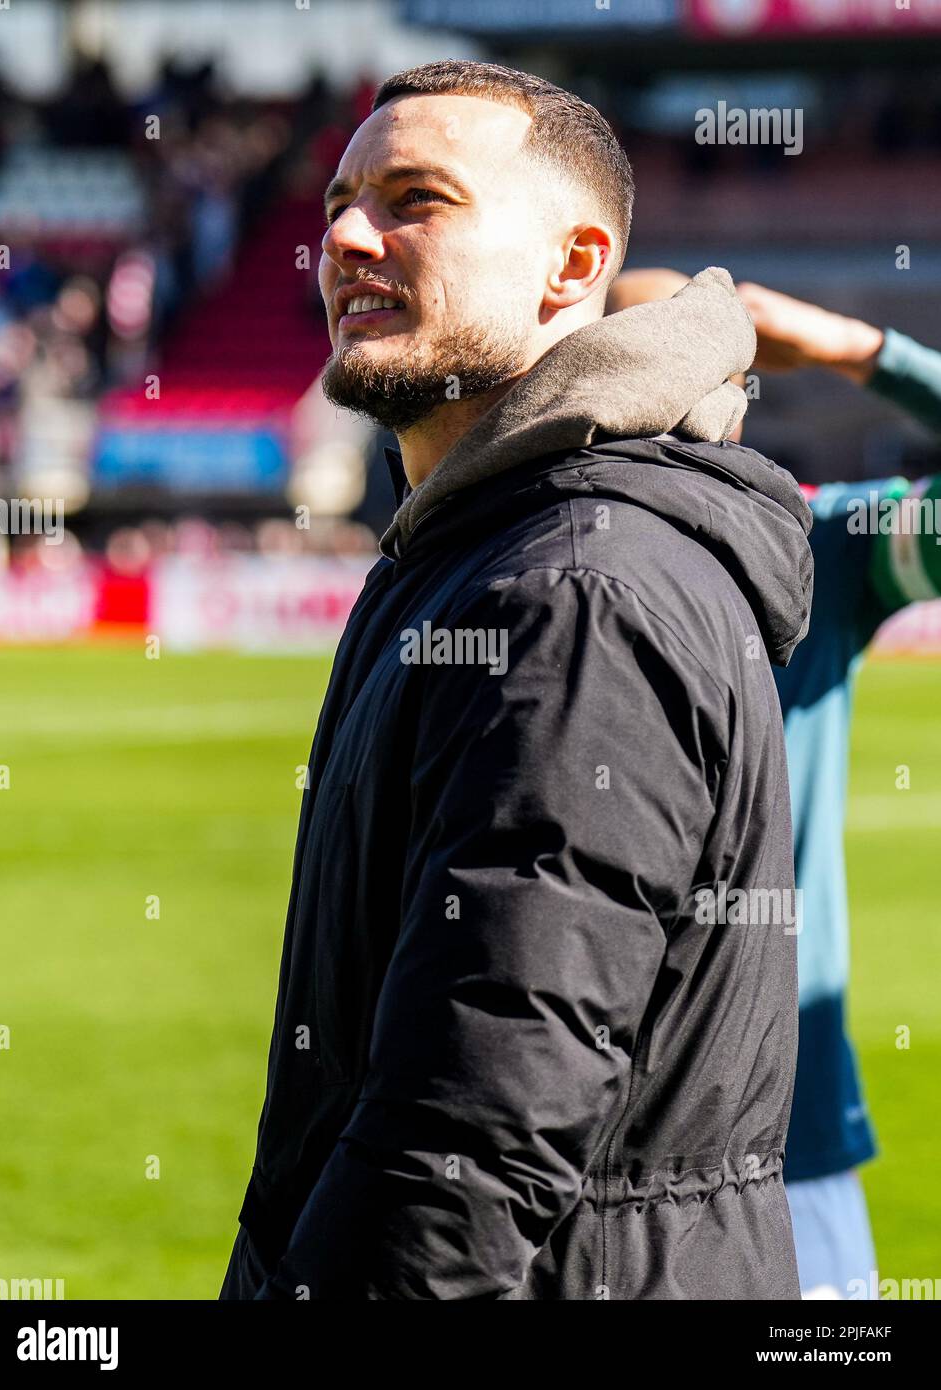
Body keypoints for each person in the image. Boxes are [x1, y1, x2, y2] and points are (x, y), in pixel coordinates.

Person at [220, 60, 813, 1301]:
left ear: (569, 265)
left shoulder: (573, 591)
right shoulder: (481, 546)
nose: (340, 237)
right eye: (337, 201)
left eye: (415, 200)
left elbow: (470, 1134)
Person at [608, 269, 941, 1299]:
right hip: (572, 1140)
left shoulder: (812, 548)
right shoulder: (534, 550)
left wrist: (859, 348)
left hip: (779, 1128)